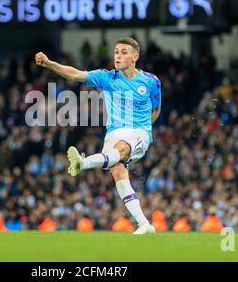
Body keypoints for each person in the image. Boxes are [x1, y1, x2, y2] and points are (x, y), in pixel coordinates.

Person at [35, 37, 161, 234]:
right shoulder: (107, 77)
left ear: (135, 57)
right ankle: (144, 223)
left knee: (121, 149)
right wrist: (50, 64)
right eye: (116, 51)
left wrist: (143, 129)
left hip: (138, 132)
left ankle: (82, 163)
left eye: (124, 52)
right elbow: (75, 74)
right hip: (113, 133)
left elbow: (156, 110)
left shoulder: (151, 82)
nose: (118, 55)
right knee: (118, 172)